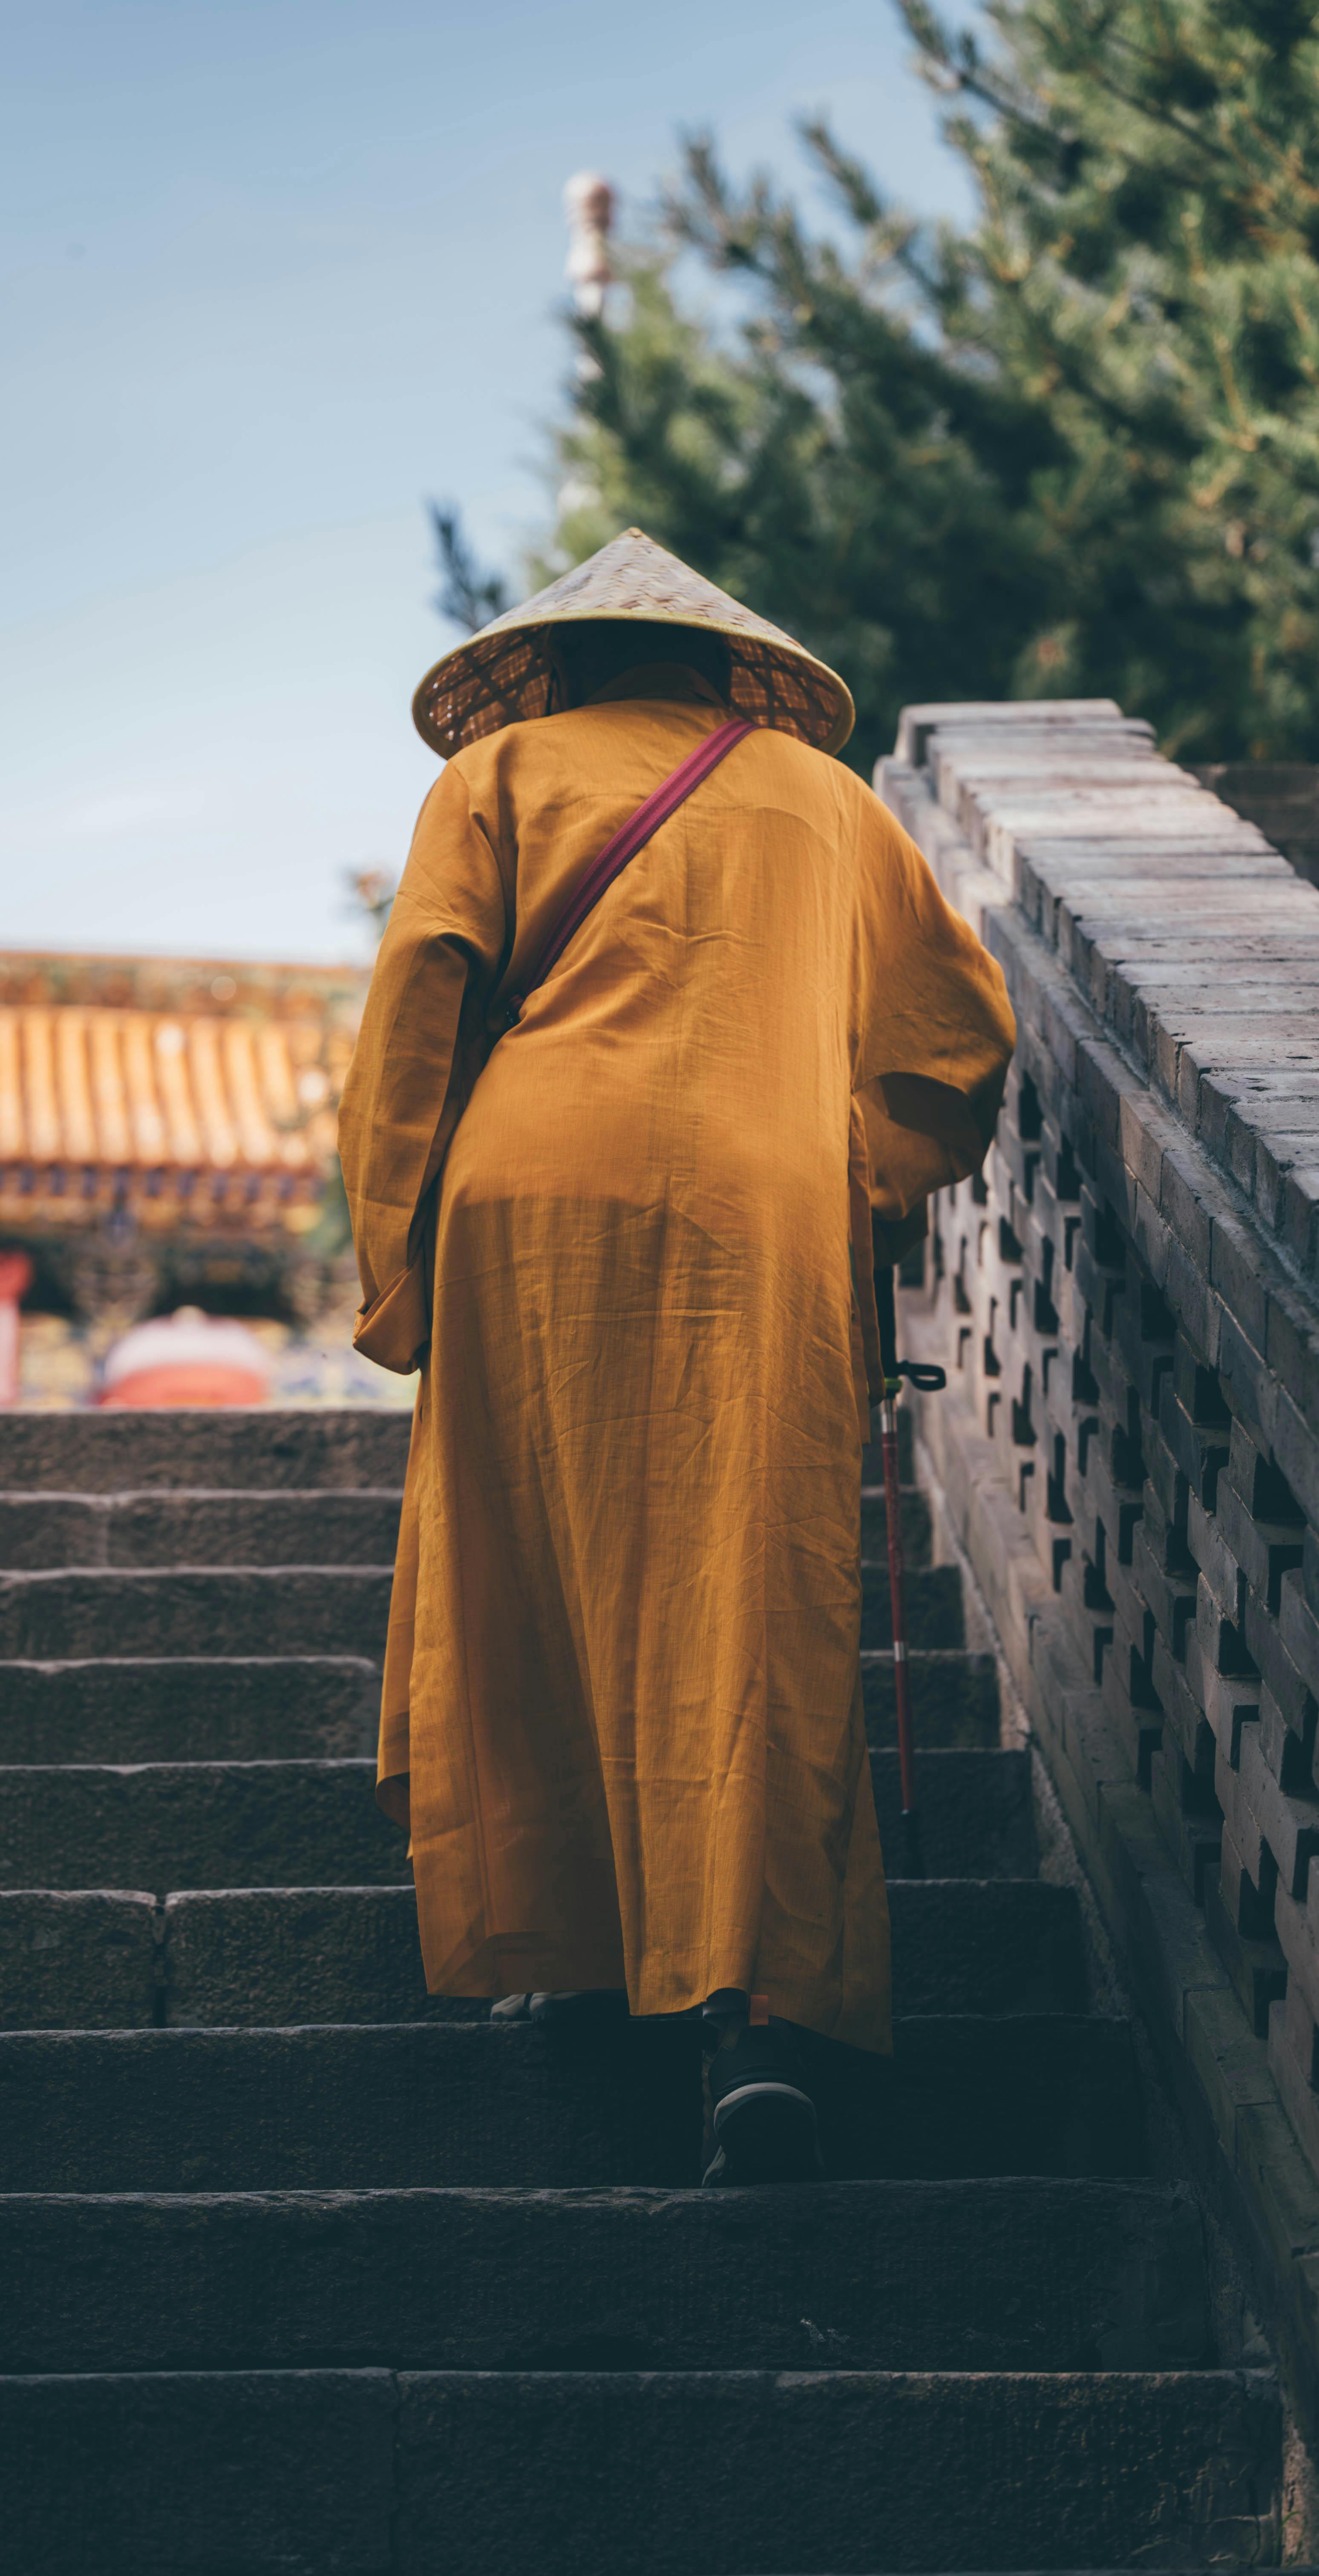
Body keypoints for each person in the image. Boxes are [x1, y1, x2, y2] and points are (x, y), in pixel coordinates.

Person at [337, 528, 1014, 2181]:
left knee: (539, 1573)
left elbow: (416, 1024)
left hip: (530, 1205)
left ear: (556, 664)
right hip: (754, 1216)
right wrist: (847, 1164)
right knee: (751, 1591)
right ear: (728, 668)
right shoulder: (829, 803)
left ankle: (571, 1955)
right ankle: (757, 2018)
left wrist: (396, 1267)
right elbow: (955, 1048)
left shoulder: (496, 777)